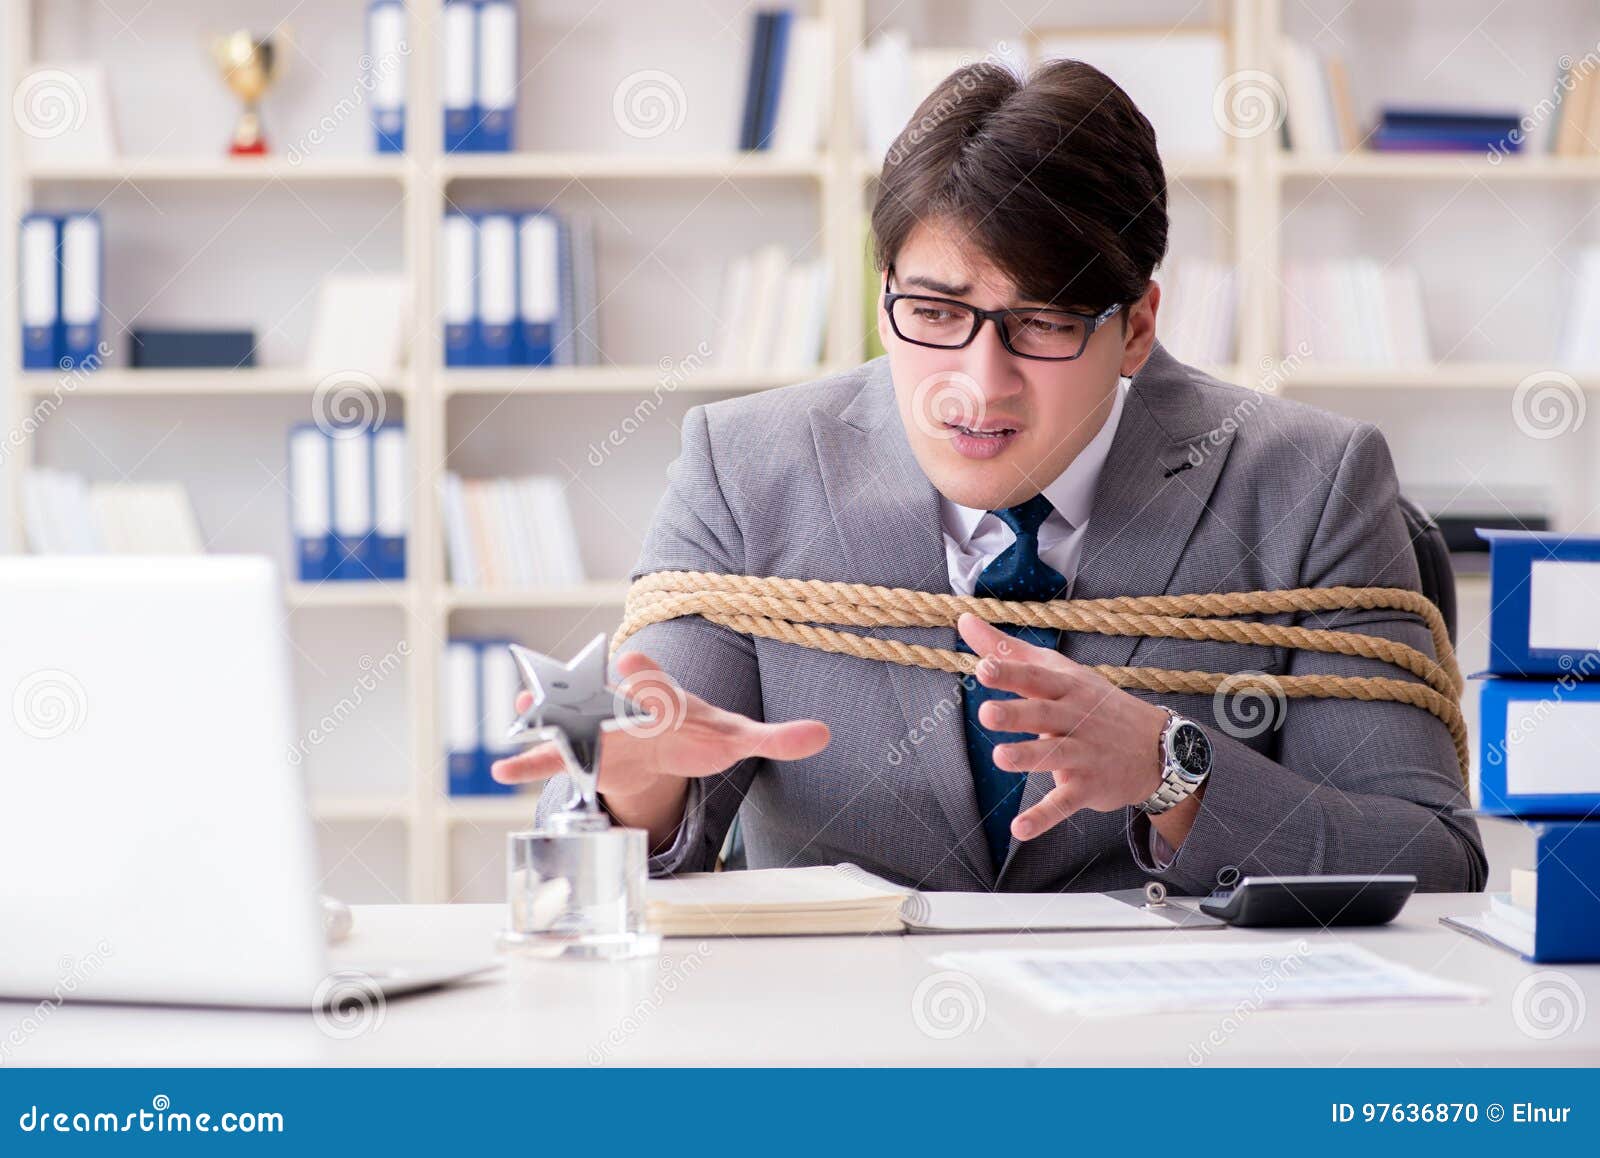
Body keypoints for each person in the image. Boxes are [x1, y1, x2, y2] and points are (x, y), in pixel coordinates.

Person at [493, 59, 1485, 895]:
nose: (977, 386)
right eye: (933, 312)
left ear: (1136, 325)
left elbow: (1428, 860)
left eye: (1044, 324)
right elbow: (579, 859)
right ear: (884, 292)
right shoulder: (750, 470)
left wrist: (1171, 772)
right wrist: (637, 791)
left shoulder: (1305, 483)